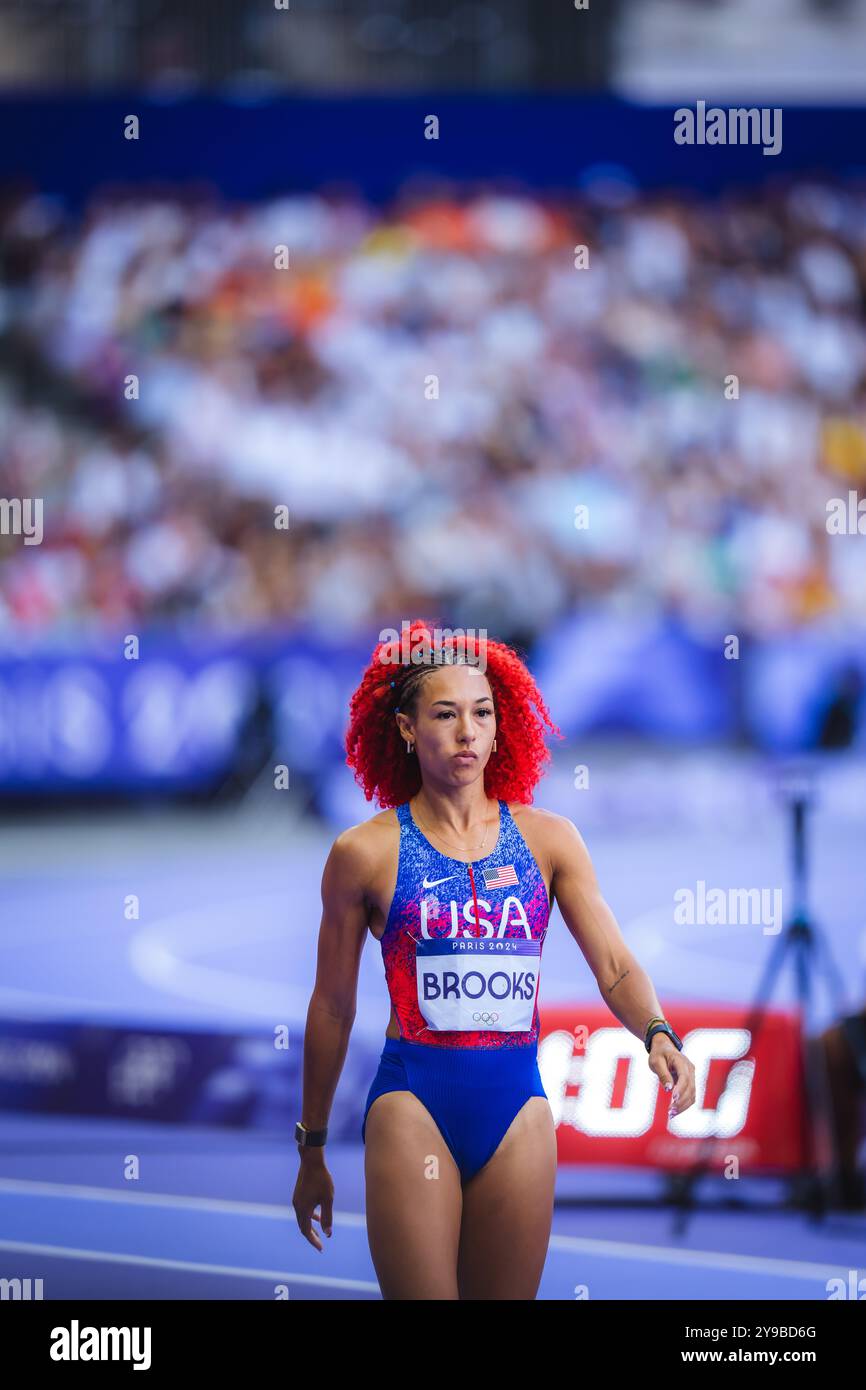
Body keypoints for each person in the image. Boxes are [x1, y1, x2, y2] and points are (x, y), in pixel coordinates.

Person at [292, 620, 696, 1299]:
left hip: (518, 1110)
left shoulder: (549, 841)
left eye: (482, 714)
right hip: (413, 1102)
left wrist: (656, 1030)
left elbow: (616, 965)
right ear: (405, 729)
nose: (467, 732)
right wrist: (312, 1148)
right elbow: (332, 1005)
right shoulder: (365, 853)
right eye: (445, 715)